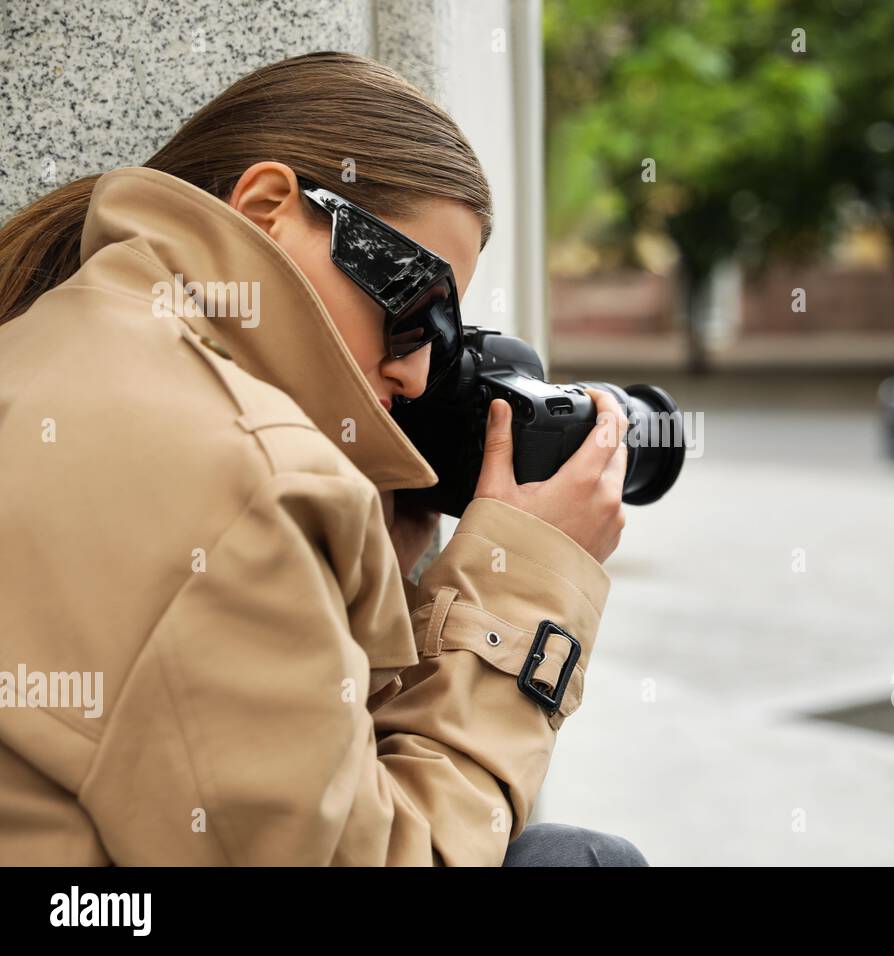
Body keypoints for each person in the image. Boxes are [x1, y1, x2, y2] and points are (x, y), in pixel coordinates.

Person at [0, 51, 646, 867]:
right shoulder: (249, 480)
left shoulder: (45, 343)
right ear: (269, 207)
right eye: (417, 305)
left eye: (447, 337)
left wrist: (382, 570)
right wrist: (525, 590)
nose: (416, 371)